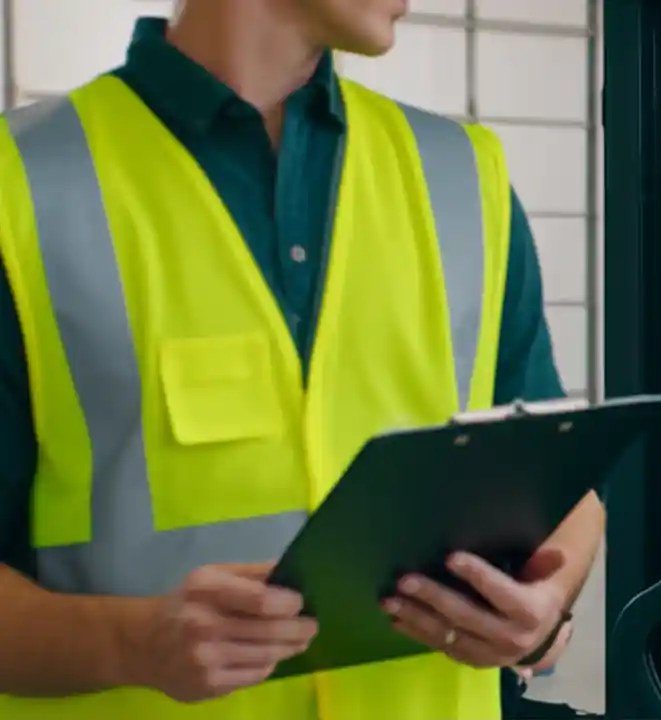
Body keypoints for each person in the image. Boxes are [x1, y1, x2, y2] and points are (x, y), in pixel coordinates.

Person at [0, 0, 605, 718]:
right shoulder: (21, 186)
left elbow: (561, 483)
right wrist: (127, 644)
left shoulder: (462, 173)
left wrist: (542, 609)